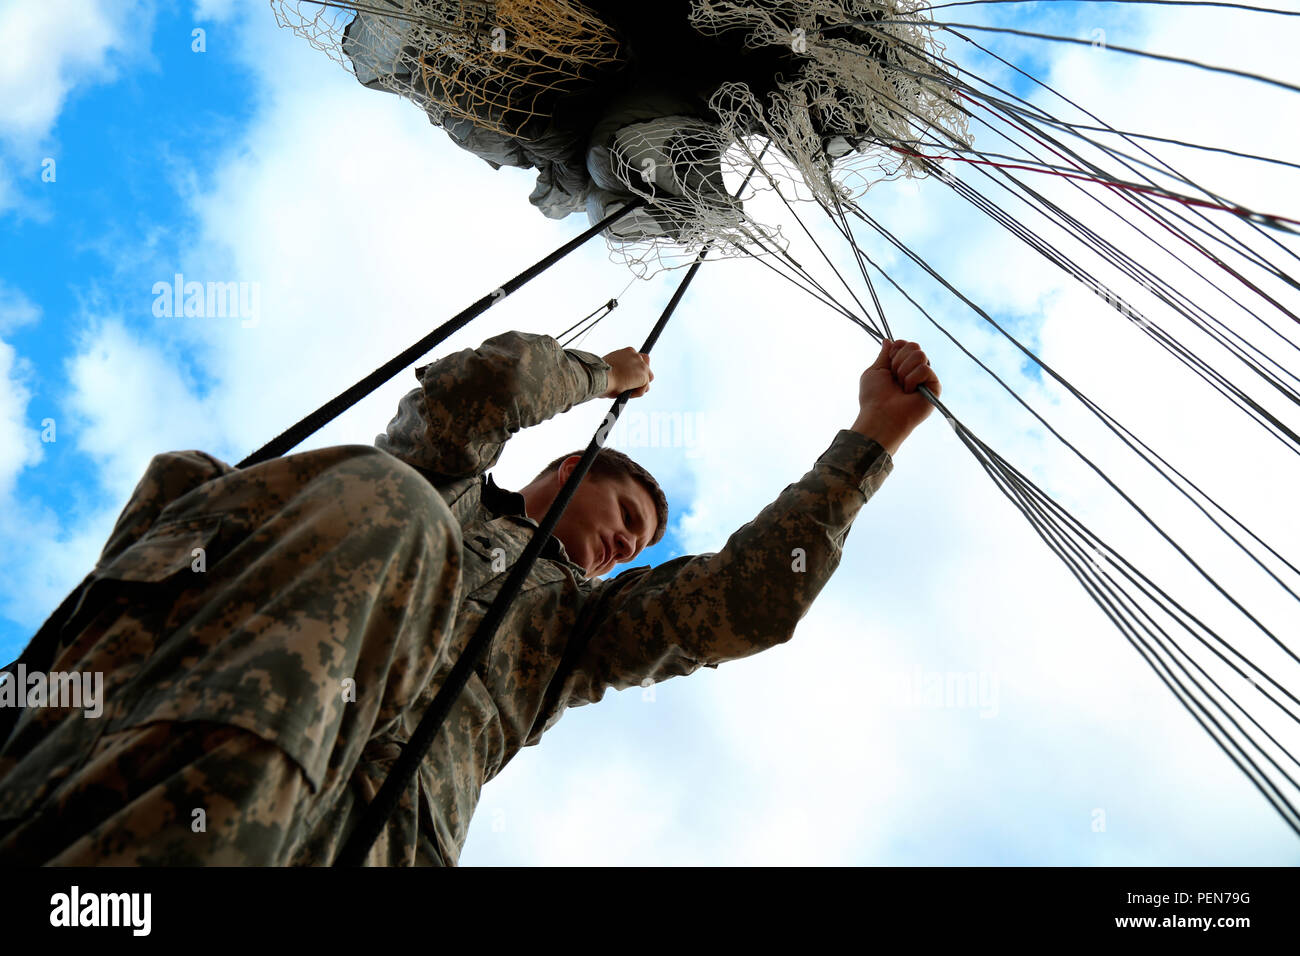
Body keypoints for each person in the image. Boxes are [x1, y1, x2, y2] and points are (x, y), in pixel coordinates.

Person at [0, 329, 940, 865]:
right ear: (569, 469)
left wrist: (868, 444)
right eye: (624, 512)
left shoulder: (578, 631)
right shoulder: (430, 492)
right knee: (320, 491)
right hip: (149, 730)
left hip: (371, 831)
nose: (625, 546)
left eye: (640, 546)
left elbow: (747, 602)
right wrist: (602, 376)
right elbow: (477, 393)